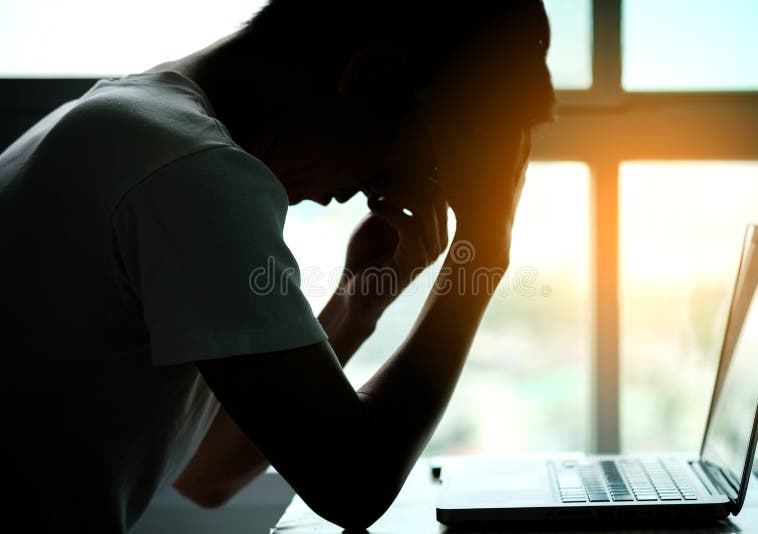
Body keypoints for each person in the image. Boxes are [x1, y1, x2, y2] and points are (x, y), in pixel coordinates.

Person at [0, 0, 554, 531]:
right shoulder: (185, 169)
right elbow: (353, 485)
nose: (373, 193)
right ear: (373, 75)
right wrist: (483, 250)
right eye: (417, 163)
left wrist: (357, 305)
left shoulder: (129, 121)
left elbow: (207, 472)